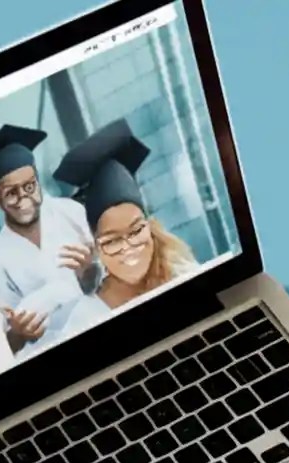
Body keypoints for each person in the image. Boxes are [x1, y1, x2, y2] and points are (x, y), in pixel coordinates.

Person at [49, 120, 199, 339]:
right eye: (111, 240)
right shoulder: (85, 320)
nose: (129, 247)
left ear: (150, 227)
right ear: (96, 246)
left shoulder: (183, 274)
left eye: (136, 230)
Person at [0, 124, 100, 356]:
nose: (24, 198)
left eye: (29, 186)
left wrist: (89, 273)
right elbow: (4, 344)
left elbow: (114, 275)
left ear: (37, 182)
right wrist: (18, 334)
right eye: (11, 193)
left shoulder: (70, 213)